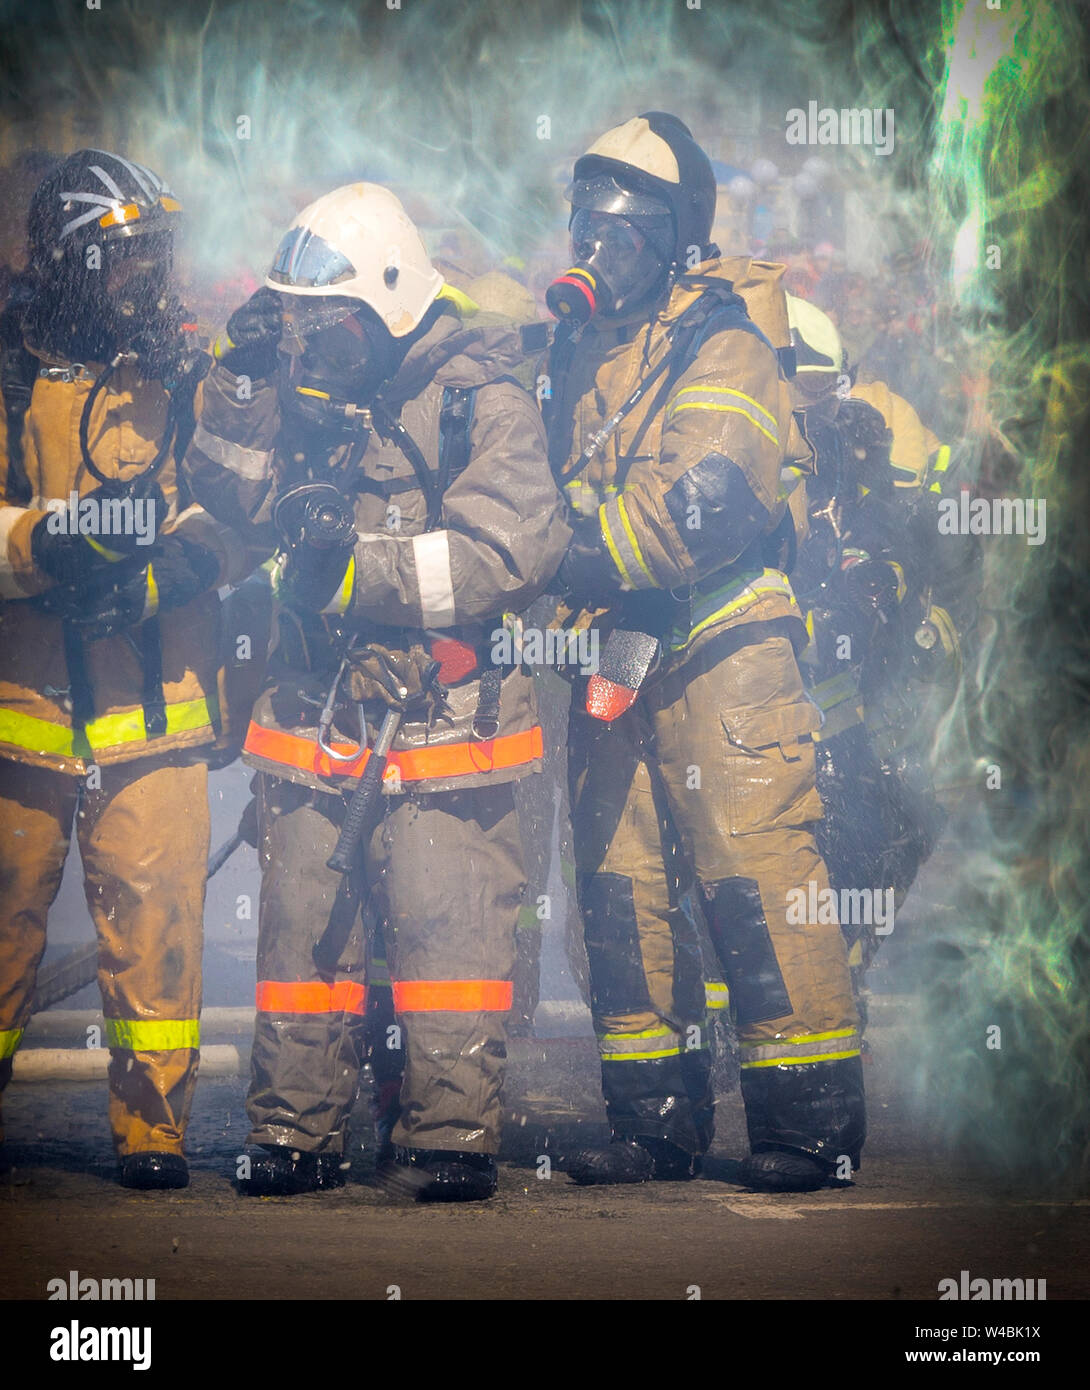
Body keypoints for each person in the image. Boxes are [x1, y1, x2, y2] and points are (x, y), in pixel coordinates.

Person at [183, 182, 569, 1200]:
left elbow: (509, 547)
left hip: (447, 723)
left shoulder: (476, 394)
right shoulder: (302, 395)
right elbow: (226, 487)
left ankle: (449, 1135)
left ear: (392, 303)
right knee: (306, 932)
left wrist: (358, 573)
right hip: (317, 716)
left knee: (449, 933)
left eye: (333, 333)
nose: (318, 355)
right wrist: (239, 377)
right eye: (303, 334)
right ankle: (294, 1133)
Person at [543, 113, 866, 1192]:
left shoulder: (726, 336)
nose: (600, 253)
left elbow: (707, 503)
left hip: (724, 637)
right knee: (617, 885)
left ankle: (809, 1125)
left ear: (677, 240)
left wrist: (575, 559)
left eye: (625, 235)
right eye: (588, 228)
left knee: (753, 872)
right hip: (618, 645)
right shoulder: (578, 345)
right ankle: (654, 1122)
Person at [0, 149, 239, 1188]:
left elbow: (238, 505)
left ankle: (155, 1134)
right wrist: (42, 546)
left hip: (158, 702)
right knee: (5, 914)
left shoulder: (187, 369)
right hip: (21, 705)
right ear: (65, 263)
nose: (147, 277)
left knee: (158, 923)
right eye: (121, 257)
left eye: (154, 252)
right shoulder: (8, 369)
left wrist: (176, 564)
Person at [786, 296, 969, 1003]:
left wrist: (921, 607)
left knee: (904, 806)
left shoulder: (882, 430)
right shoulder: (772, 438)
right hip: (807, 673)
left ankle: (849, 959)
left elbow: (929, 543)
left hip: (889, 662)